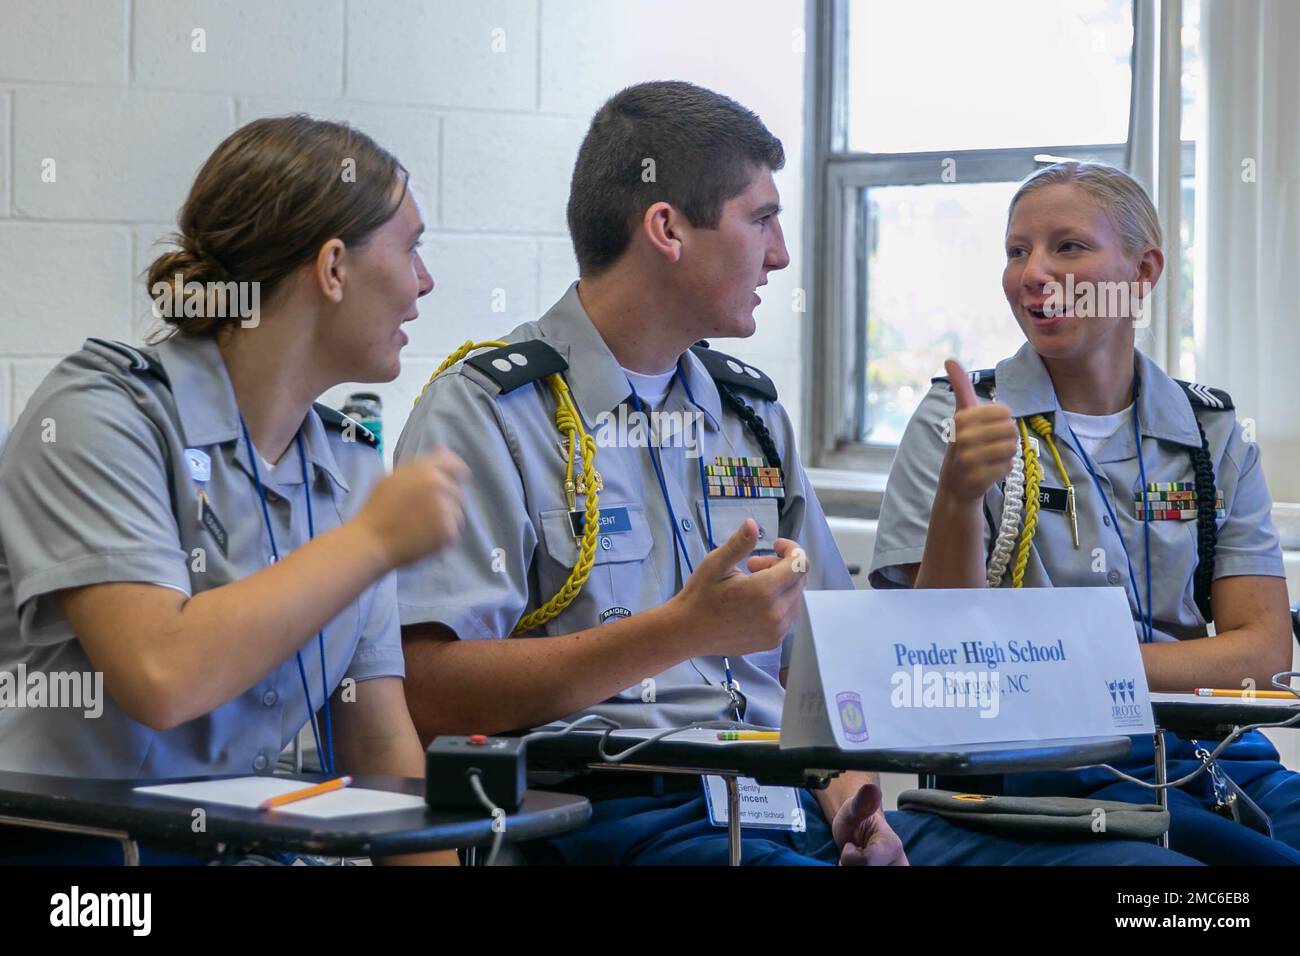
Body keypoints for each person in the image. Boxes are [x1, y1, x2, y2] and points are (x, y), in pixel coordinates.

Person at [396, 85, 1196, 865]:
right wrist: (681, 630)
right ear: (667, 230)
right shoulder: (492, 413)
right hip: (619, 813)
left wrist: (854, 806)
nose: (779, 253)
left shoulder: (748, 414)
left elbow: (828, 669)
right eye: (761, 219)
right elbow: (428, 692)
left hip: (790, 809)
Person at [0, 115, 467, 865]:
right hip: (75, 864)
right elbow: (162, 675)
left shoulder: (348, 464)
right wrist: (372, 542)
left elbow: (379, 741)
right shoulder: (99, 414)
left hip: (240, 848)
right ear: (334, 268)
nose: (425, 280)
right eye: (411, 247)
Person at [871, 160, 1300, 865]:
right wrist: (959, 495)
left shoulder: (1211, 435)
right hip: (1047, 768)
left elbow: (1260, 656)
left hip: (1214, 756)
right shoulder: (959, 421)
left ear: (1143, 272)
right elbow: (939, 659)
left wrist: (1062, 663)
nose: (1033, 273)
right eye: (1017, 251)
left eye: (1067, 246)